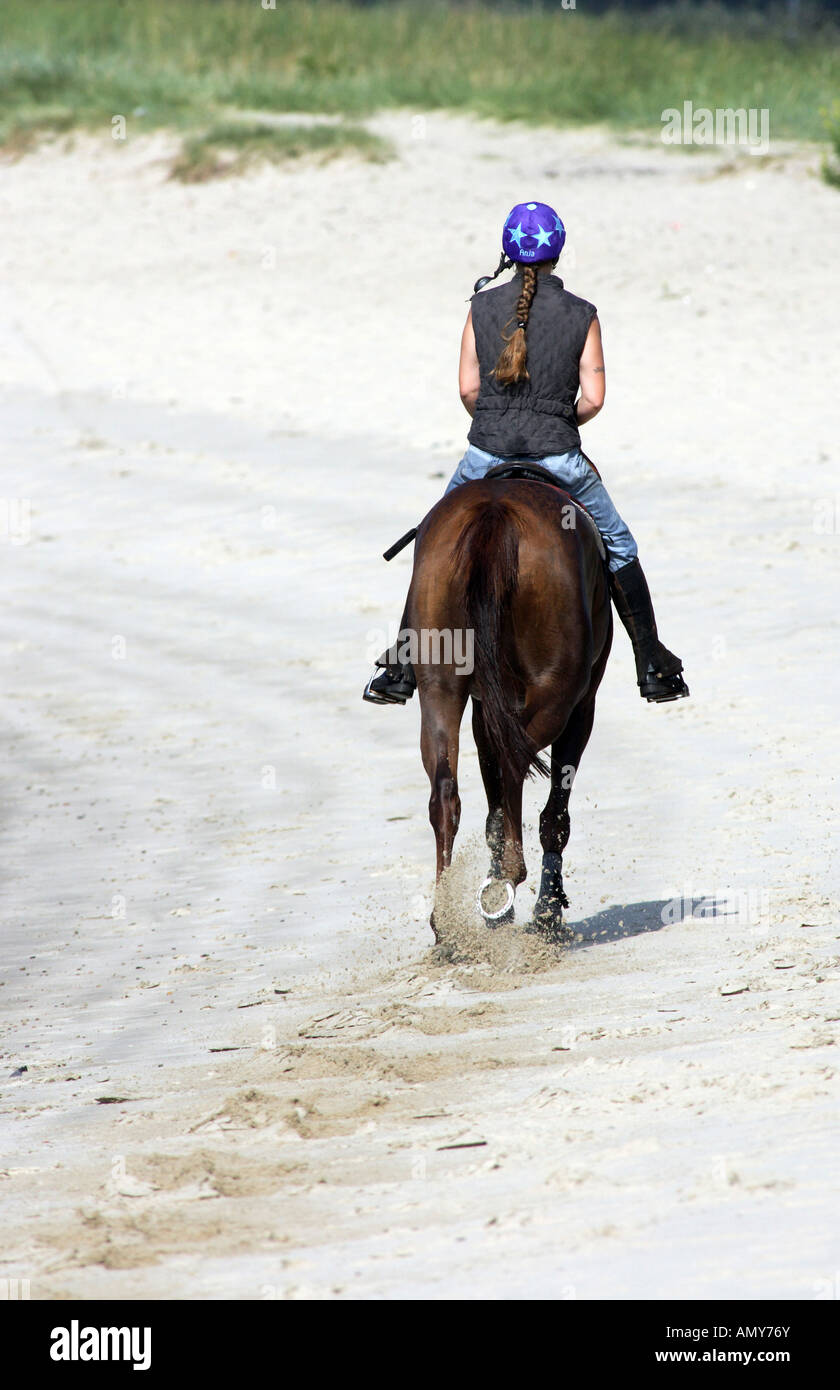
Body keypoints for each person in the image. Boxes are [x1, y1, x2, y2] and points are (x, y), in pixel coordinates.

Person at [364, 200, 689, 706]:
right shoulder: (583, 314)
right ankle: (652, 664)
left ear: (508, 252)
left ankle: (402, 666)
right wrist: (558, 422)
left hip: (484, 453)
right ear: (557, 251)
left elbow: (468, 391)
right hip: (558, 456)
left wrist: (498, 421)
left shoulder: (480, 307)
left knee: (433, 537)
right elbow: (595, 399)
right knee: (620, 546)